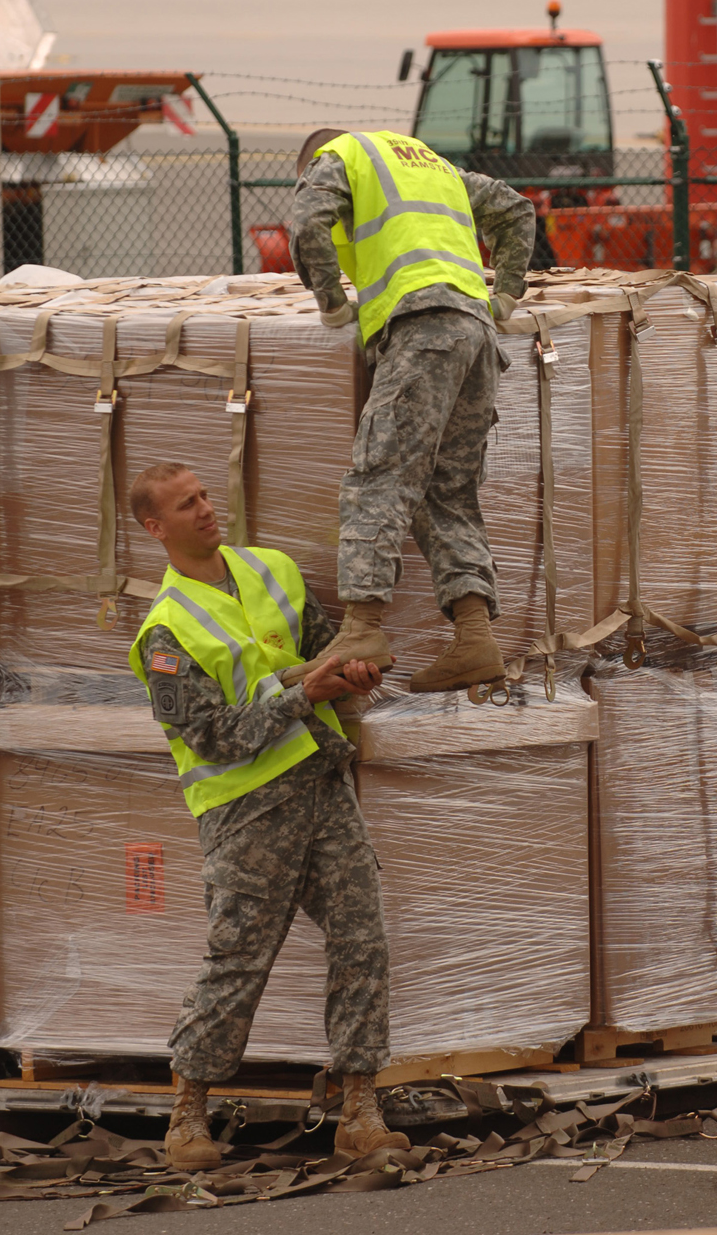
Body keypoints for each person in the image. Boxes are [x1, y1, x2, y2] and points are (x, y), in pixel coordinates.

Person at [127, 461, 404, 1170]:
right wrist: (302, 695)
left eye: (205, 495)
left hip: (320, 784)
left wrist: (352, 672)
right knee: (238, 959)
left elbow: (326, 649)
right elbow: (213, 736)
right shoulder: (165, 632)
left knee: (361, 939)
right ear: (155, 528)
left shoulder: (272, 570)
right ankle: (188, 1116)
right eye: (187, 505)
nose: (206, 509)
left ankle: (360, 1110)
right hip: (245, 811)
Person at [289, 126, 535, 696]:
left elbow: (306, 225)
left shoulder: (341, 157)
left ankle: (362, 627)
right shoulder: (428, 162)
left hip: (422, 327)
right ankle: (474, 635)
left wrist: (331, 304)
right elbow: (517, 211)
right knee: (444, 491)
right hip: (474, 333)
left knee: (379, 477)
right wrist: (507, 294)